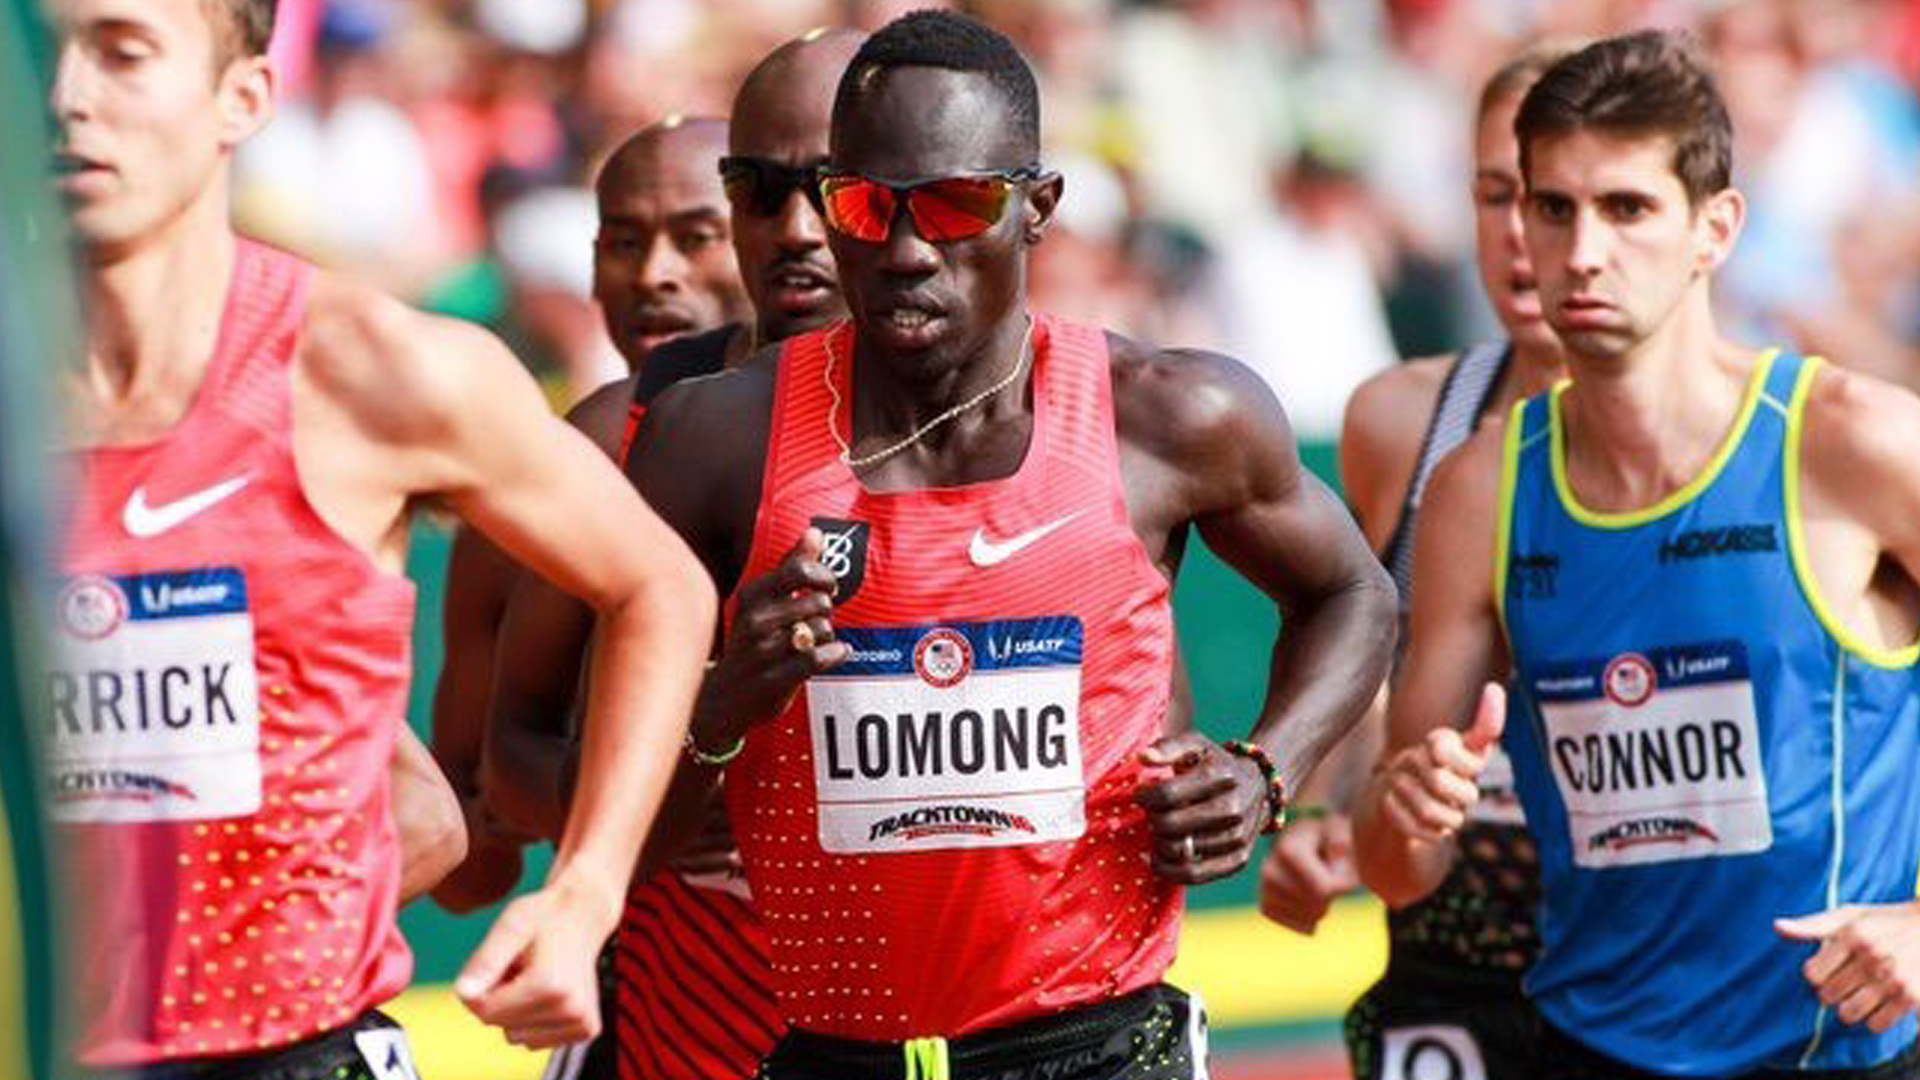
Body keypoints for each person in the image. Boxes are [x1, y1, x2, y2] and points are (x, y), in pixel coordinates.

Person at [517, 11, 1395, 1077]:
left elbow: (1356, 593)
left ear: (1039, 209)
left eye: (954, 203)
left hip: (1099, 1041)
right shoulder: (714, 444)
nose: (904, 249)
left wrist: (1266, 768)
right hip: (832, 1050)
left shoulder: (1168, 416)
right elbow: (622, 846)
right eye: (863, 206)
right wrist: (723, 706)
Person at [44, 0, 715, 1075]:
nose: (65, 98)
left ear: (244, 97)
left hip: (302, 1051)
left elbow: (661, 590)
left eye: (123, 54)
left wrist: (585, 892)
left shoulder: (372, 371)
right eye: (42, 54)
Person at [1355, 30, 1920, 1078]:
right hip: (1586, 1046)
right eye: (1552, 207)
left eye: (1627, 209)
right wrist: (1402, 811)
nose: (1580, 253)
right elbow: (1399, 869)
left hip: (1836, 1047)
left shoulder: (1854, 444)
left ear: (1716, 229)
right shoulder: (1482, 488)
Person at [477, 28, 866, 1080]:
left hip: (927, 992)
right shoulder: (612, 438)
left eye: (690, 232)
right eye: (760, 193)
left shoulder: (1003, 416)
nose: (657, 277)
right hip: (674, 1001)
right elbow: (494, 757)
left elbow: (1148, 718)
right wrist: (633, 815)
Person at [1258, 44, 1570, 1080]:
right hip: (1450, 972)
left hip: (1662, 969)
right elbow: (1375, 654)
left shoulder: (1780, 432)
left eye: (1562, 200)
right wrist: (1322, 815)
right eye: (1497, 194)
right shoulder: (1401, 421)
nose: (1527, 237)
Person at [429, 113, 751, 915]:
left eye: (696, 235)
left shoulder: (866, 433)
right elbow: (467, 867)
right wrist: (591, 802)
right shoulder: (532, 482)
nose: (654, 274)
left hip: (882, 996)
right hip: (650, 993)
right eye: (622, 242)